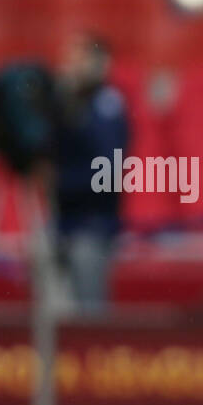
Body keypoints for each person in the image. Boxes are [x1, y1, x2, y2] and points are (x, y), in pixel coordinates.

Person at [52, 32, 129, 315]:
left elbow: (107, 172)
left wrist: (61, 182)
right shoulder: (66, 104)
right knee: (57, 312)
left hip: (92, 224)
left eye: (80, 58)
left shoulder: (107, 105)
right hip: (63, 222)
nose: (72, 65)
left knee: (89, 315)